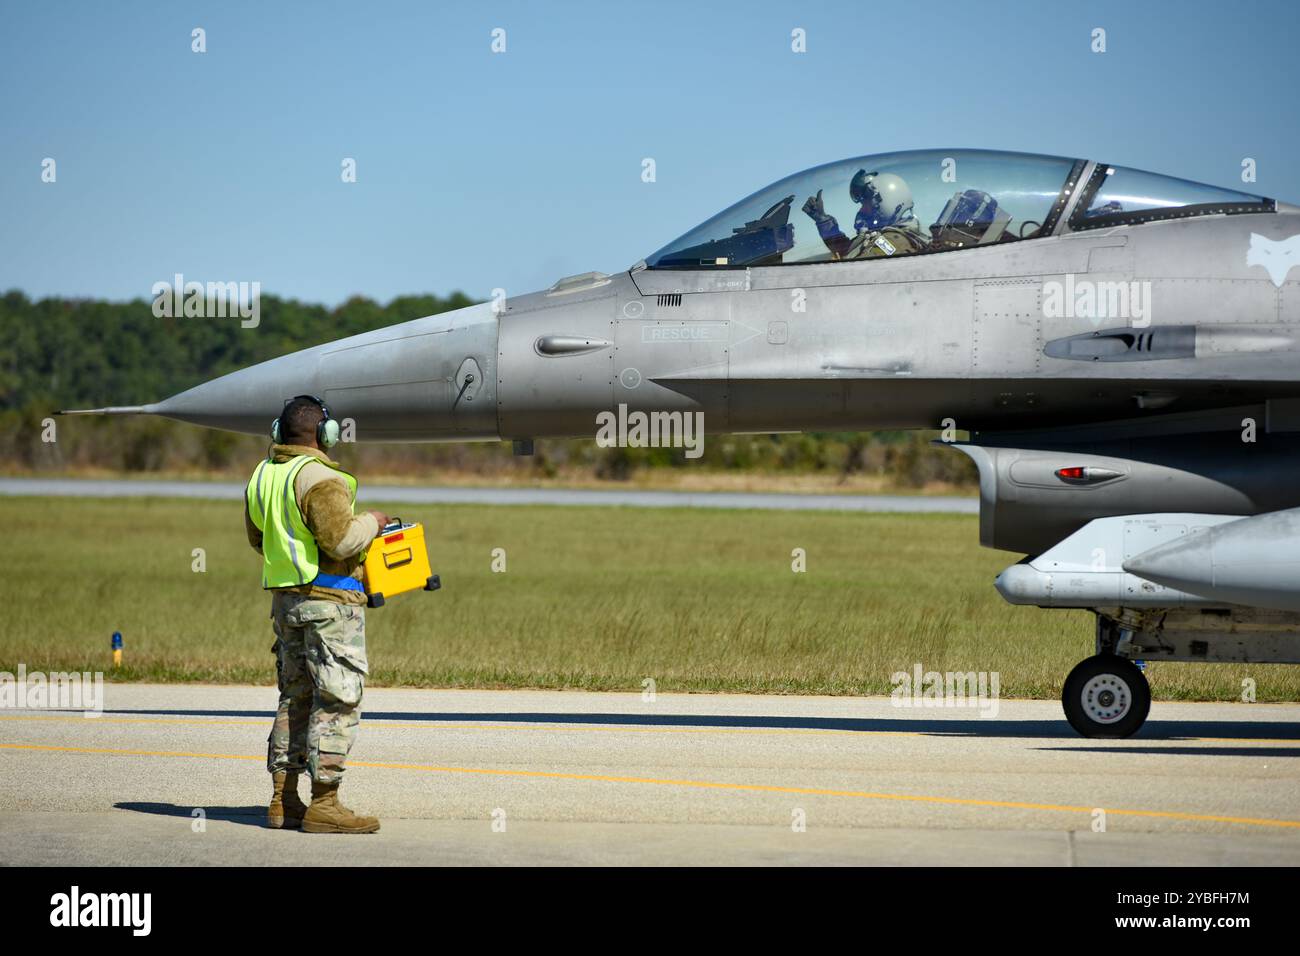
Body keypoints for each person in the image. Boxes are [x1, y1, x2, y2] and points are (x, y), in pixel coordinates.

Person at [244, 394, 388, 833]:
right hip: (329, 605)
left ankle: (282, 800)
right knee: (338, 698)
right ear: (325, 434)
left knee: (295, 697)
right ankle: (325, 803)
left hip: (285, 603)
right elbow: (341, 541)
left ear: (278, 431)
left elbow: (258, 539)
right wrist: (375, 522)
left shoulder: (263, 476)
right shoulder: (321, 478)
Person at [802, 169, 929, 259]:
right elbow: (848, 249)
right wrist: (823, 221)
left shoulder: (891, 241)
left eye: (865, 204)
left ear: (885, 204)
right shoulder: (880, 236)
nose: (861, 210)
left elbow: (854, 272)